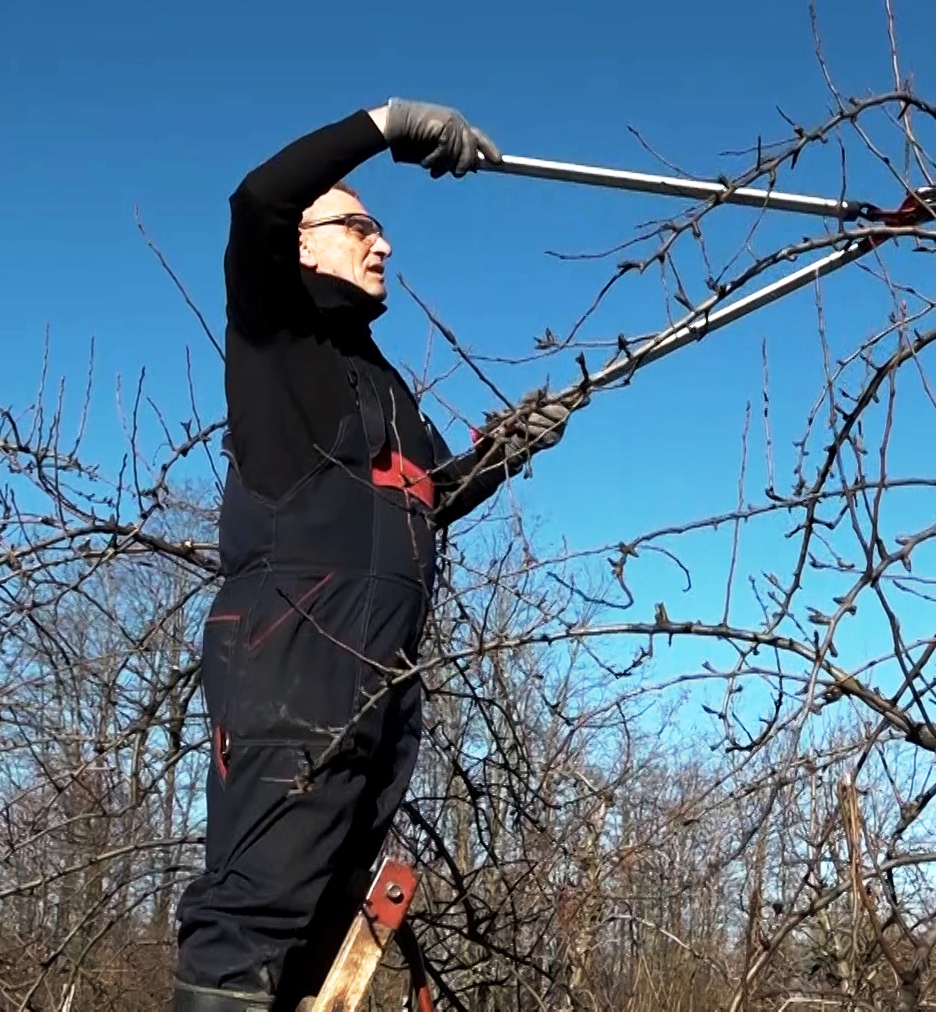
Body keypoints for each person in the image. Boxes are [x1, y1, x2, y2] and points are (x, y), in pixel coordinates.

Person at [172, 98, 571, 1011]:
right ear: (307, 244)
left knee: (334, 908)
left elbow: (425, 497)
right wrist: (388, 124)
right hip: (291, 660)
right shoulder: (278, 342)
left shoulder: (383, 383)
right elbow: (257, 201)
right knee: (253, 913)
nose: (381, 245)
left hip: (382, 676)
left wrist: (510, 450)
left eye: (381, 229)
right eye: (359, 225)